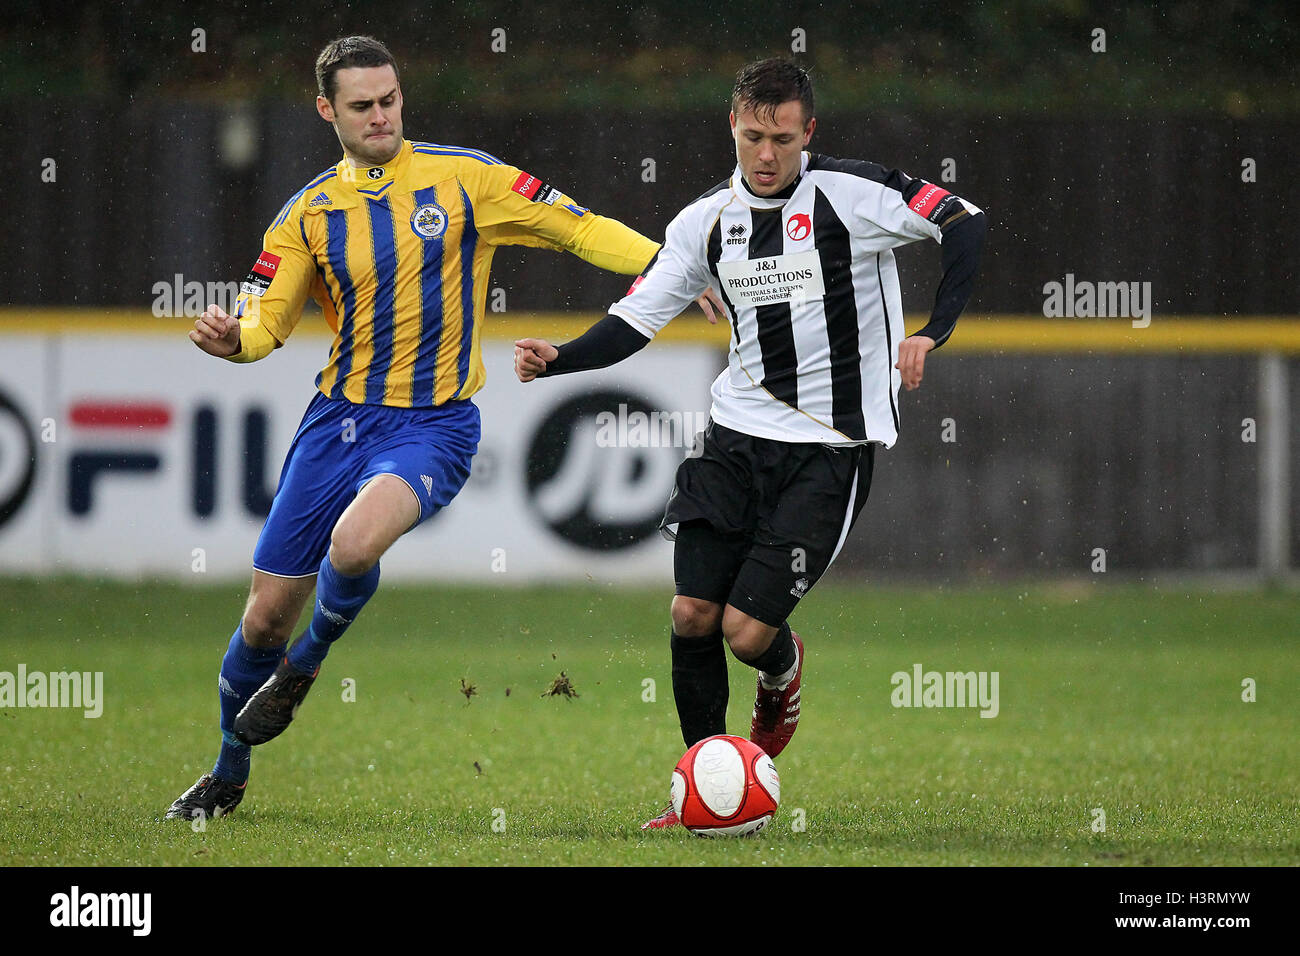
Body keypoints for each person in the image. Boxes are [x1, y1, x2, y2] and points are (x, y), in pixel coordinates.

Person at [166, 35, 699, 821]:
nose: (380, 115)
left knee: (353, 544)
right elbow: (264, 323)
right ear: (327, 110)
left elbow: (580, 228)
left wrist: (673, 267)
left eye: (390, 99)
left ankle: (308, 664)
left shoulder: (465, 178)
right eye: (361, 105)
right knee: (263, 615)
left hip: (435, 426)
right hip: (335, 425)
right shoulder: (306, 215)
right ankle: (227, 770)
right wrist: (231, 342)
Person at [514, 57, 987, 829]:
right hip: (732, 439)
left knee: (746, 632)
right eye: (753, 136)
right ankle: (706, 790)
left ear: (810, 134)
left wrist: (935, 329)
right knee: (693, 614)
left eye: (783, 139)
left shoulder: (853, 194)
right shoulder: (704, 221)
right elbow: (639, 316)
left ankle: (784, 670)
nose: (767, 155)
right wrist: (563, 357)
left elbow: (964, 218)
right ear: (731, 127)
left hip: (831, 448)